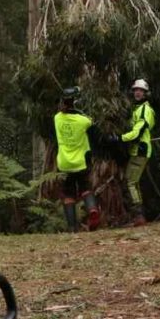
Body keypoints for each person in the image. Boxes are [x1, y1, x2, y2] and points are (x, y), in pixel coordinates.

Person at [107, 78, 156, 227]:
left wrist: (119, 138)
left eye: (140, 90)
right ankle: (137, 216)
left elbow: (138, 132)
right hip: (136, 149)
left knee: (131, 181)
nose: (137, 92)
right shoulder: (137, 109)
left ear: (146, 93)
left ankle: (139, 216)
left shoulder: (144, 110)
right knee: (132, 181)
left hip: (141, 150)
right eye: (135, 90)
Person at [53, 86, 101, 232]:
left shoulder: (57, 118)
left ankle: (72, 227)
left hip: (64, 163)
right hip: (80, 162)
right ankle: (92, 209)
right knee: (85, 188)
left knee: (68, 194)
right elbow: (93, 129)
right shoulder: (84, 121)